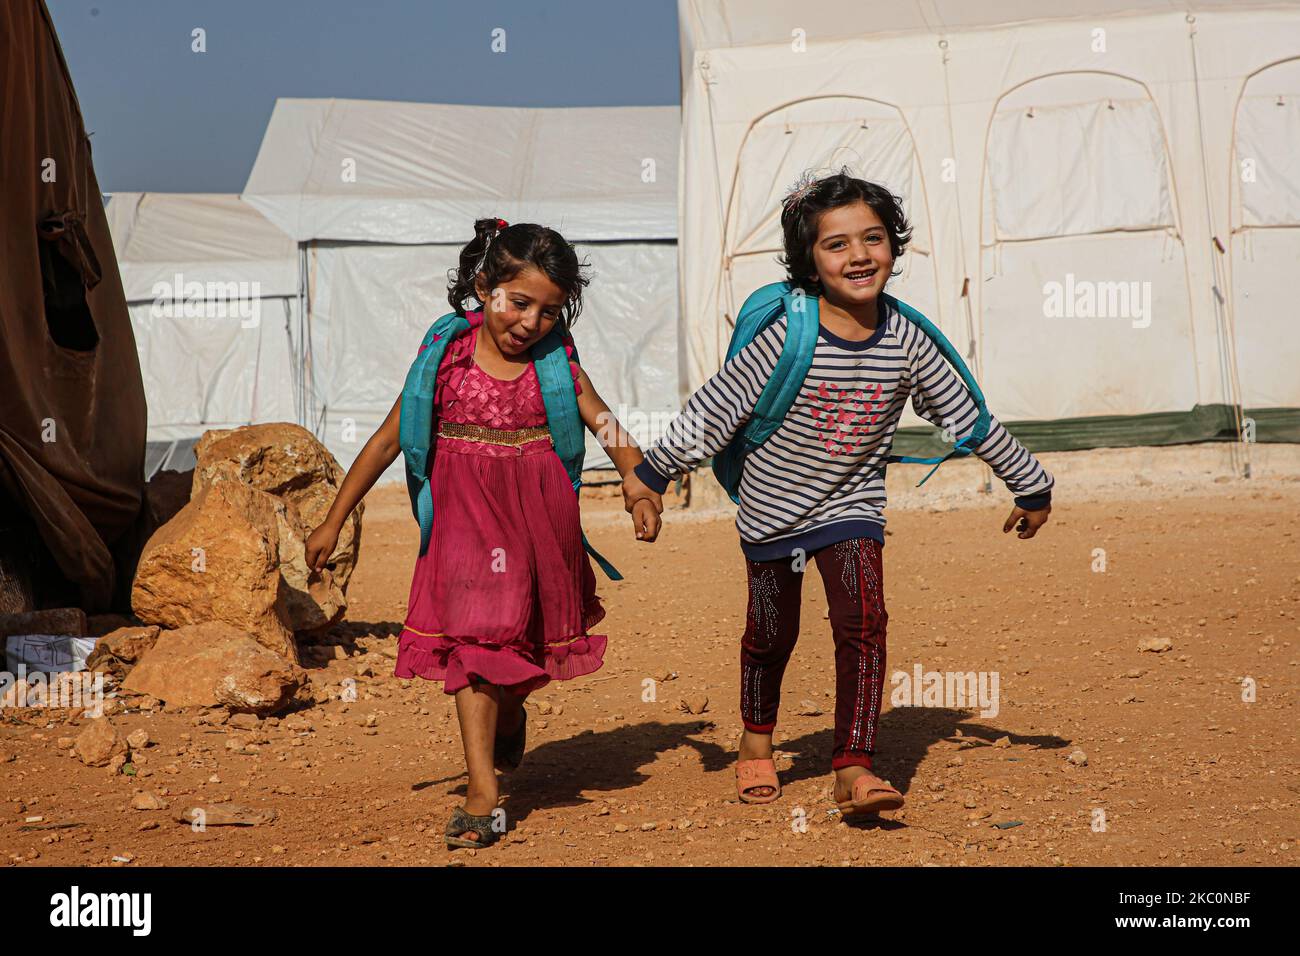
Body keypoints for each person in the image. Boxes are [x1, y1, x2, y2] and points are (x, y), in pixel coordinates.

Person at [622, 173, 1053, 820]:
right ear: (809, 262)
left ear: (893, 246)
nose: (858, 256)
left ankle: (854, 766)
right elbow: (716, 409)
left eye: (873, 238)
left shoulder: (907, 341)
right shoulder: (787, 336)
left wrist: (1029, 480)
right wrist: (651, 476)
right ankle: (756, 739)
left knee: (863, 626)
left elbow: (966, 415)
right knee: (771, 635)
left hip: (850, 510)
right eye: (836, 245)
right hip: (771, 512)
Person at [307, 218, 661, 849]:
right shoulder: (446, 356)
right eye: (519, 303)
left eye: (550, 311)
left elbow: (602, 421)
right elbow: (390, 437)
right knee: (474, 647)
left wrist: (636, 478)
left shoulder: (557, 365)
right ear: (484, 285)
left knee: (518, 648)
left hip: (537, 523)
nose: (531, 323)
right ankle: (482, 793)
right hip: (465, 525)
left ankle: (512, 711)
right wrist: (335, 518)